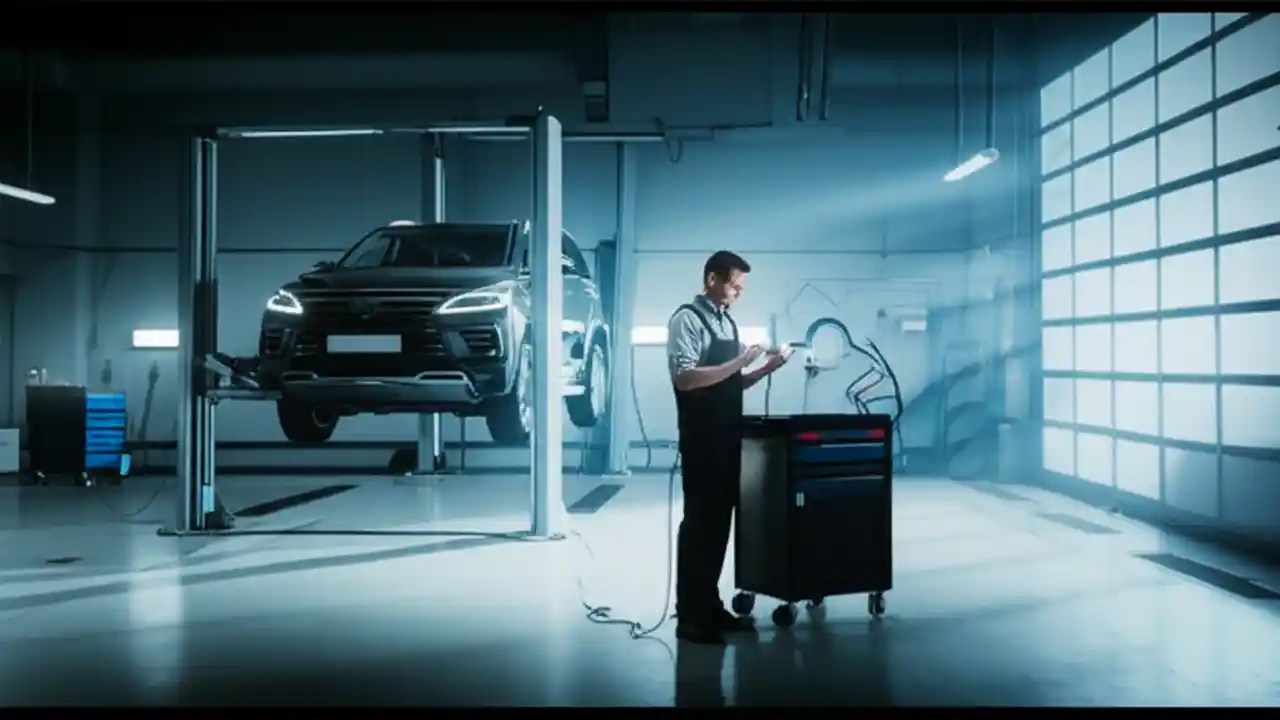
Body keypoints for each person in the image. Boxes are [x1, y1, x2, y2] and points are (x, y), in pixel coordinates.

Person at [666, 250, 792, 645]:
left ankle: (711, 607)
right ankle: (690, 616)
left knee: (720, 528)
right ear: (711, 279)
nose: (738, 294)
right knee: (699, 527)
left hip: (728, 439)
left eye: (741, 289)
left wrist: (764, 368)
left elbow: (729, 384)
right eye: (735, 286)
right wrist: (738, 360)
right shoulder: (687, 319)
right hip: (702, 441)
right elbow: (685, 378)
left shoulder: (727, 321)